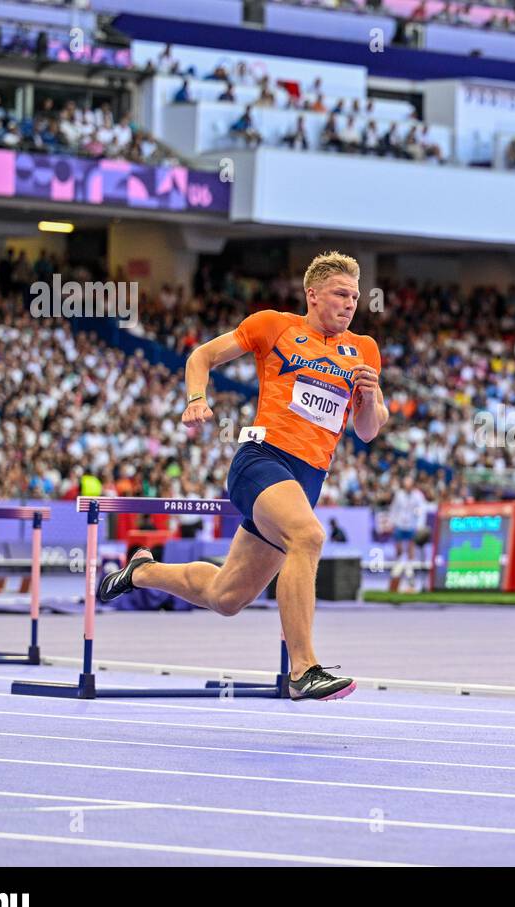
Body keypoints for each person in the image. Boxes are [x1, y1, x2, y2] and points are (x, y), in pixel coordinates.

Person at [96, 252, 387, 701]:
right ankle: (304, 670)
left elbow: (368, 432)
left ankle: (143, 572)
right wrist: (196, 398)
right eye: (340, 294)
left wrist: (369, 399)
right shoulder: (274, 325)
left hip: (305, 482)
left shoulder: (364, 350)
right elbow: (202, 355)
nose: (350, 303)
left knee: (226, 597)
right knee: (307, 537)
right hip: (261, 461)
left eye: (354, 296)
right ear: (313, 294)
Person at [388, 474, 428, 592]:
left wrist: (419, 525)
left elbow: (421, 511)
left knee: (411, 550)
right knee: (399, 550)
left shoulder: (418, 496)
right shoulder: (399, 495)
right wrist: (392, 522)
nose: (407, 488)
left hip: (411, 526)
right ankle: (397, 571)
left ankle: (410, 573)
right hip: (400, 525)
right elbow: (394, 509)